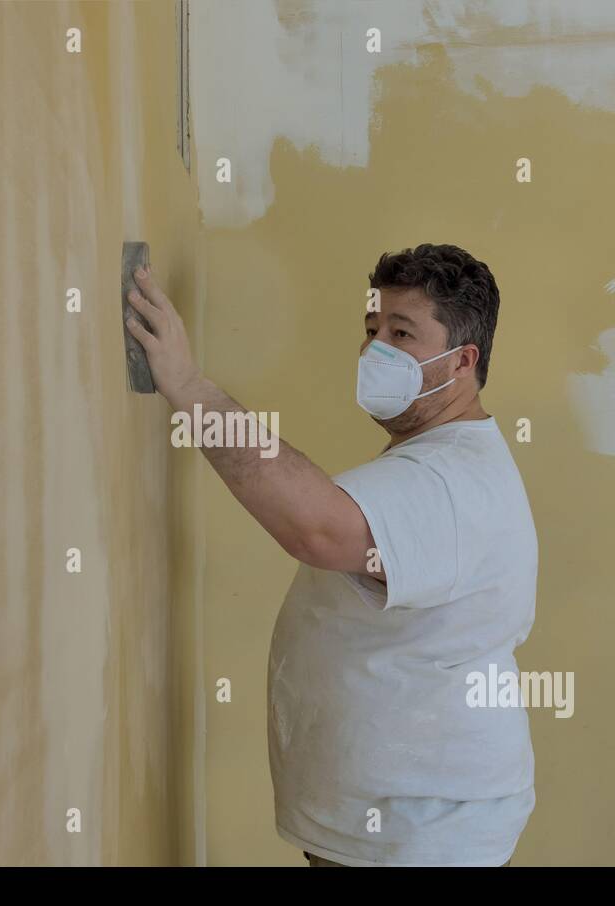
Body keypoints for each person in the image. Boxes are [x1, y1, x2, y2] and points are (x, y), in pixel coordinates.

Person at [125, 242, 536, 867]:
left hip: (419, 839)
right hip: (392, 828)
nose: (377, 351)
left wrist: (187, 386)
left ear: (463, 361)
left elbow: (316, 528)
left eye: (403, 333)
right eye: (372, 330)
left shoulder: (451, 480)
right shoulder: (442, 460)